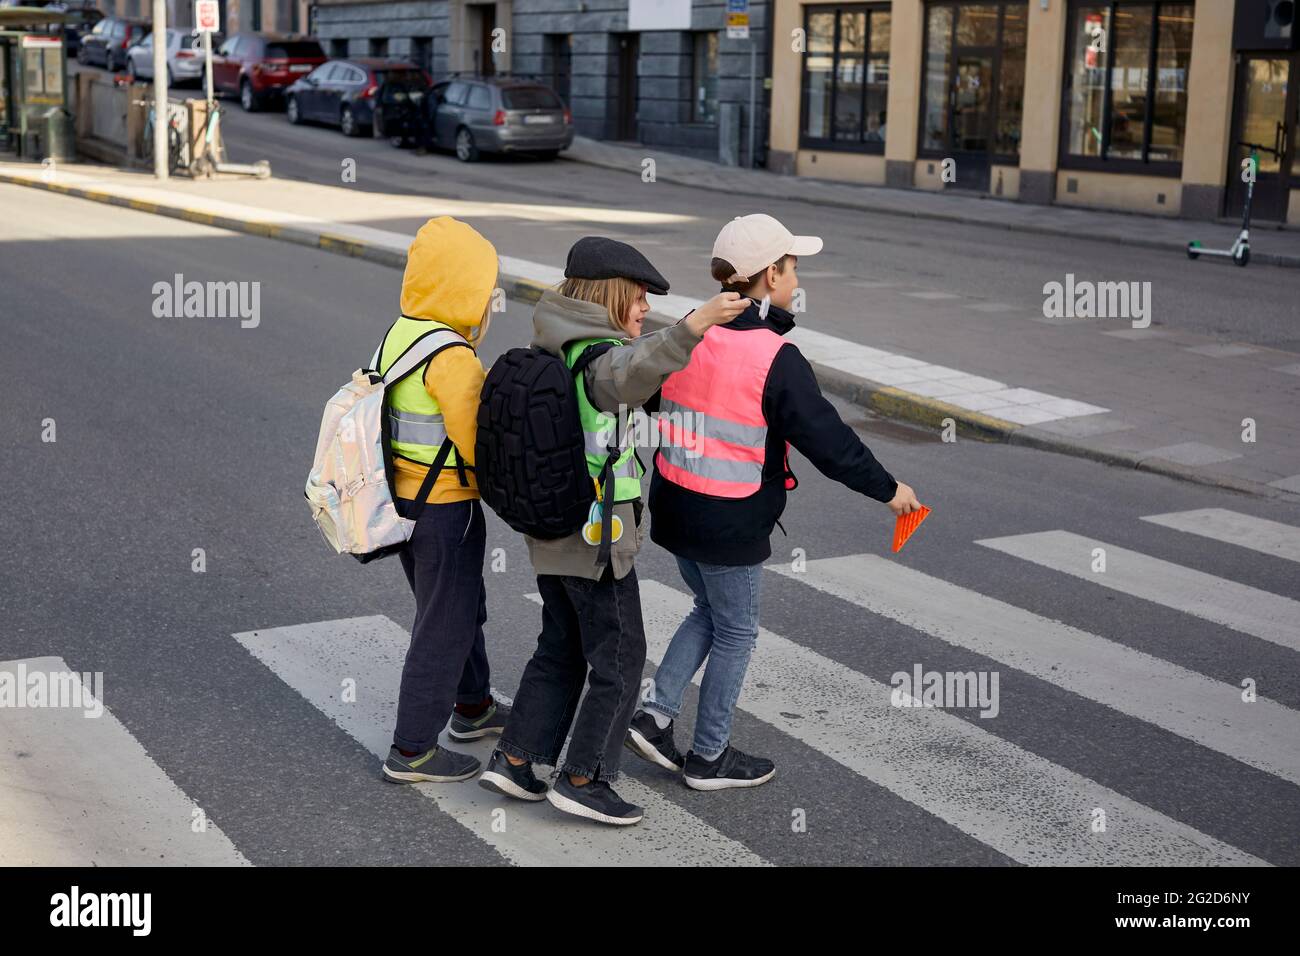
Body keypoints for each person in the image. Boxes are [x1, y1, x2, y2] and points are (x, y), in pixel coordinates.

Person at [627, 213, 923, 790]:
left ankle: (654, 716)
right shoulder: (774, 357)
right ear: (768, 276)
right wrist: (890, 490)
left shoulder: (689, 331)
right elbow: (829, 442)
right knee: (737, 631)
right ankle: (709, 757)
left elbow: (650, 400)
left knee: (708, 612)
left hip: (676, 507)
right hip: (729, 519)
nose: (796, 282)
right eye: (791, 270)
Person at [477, 237, 746, 825]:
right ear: (613, 295)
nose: (647, 307)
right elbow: (629, 370)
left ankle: (517, 757)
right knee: (622, 662)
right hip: (596, 544)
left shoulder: (554, 340)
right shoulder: (598, 358)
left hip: (550, 536)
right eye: (641, 296)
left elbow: (632, 368)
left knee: (560, 650)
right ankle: (583, 777)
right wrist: (694, 325)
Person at [378, 216, 508, 784]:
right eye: (484, 291)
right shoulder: (452, 357)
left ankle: (473, 706)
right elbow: (479, 441)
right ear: (463, 289)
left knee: (456, 607)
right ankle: (412, 750)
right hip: (447, 508)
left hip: (404, 505)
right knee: (444, 622)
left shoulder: (399, 333)